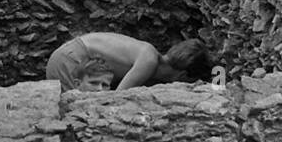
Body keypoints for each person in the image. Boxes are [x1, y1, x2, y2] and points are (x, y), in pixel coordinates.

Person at [45, 32, 211, 92]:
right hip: (71, 60)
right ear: (182, 75)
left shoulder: (149, 55)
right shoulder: (149, 61)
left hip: (68, 57)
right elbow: (118, 99)